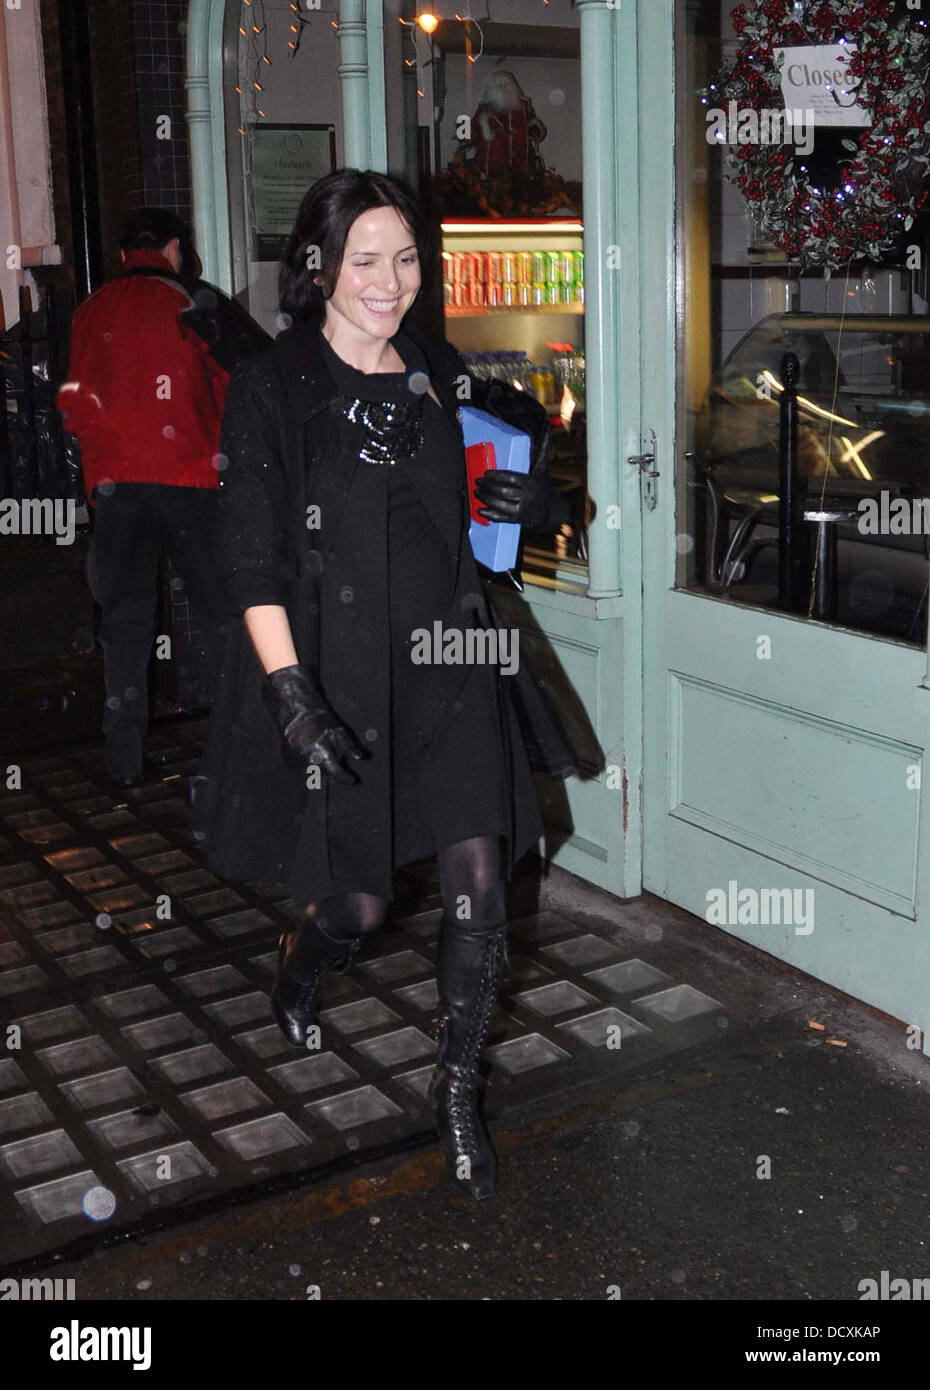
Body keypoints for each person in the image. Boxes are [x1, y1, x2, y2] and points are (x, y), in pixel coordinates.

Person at [195, 169, 576, 1200]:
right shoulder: (276, 389)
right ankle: (304, 963)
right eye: (365, 259)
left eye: (406, 257)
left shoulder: (434, 365)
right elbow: (250, 560)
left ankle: (455, 1090)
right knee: (359, 905)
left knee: (480, 887)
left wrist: (545, 498)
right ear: (316, 268)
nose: (390, 280)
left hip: (453, 663)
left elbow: (509, 443)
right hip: (342, 678)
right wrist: (290, 696)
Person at [56, 209, 249, 786]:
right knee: (221, 619)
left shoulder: (90, 310)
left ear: (121, 256)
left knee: (125, 625)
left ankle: (124, 761)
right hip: (190, 480)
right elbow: (233, 383)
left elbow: (73, 403)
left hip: (117, 487)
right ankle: (236, 754)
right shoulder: (191, 299)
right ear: (173, 248)